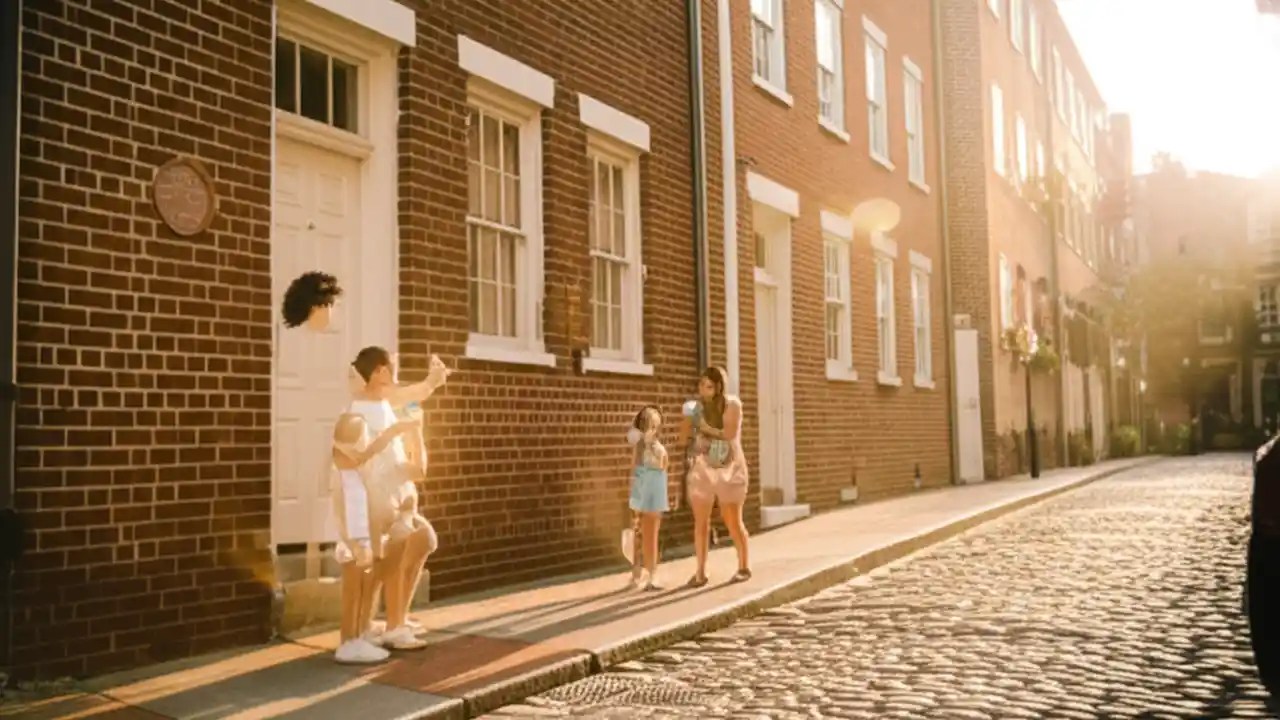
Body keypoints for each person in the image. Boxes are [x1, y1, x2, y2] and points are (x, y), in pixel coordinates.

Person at [347, 346, 449, 650]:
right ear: (378, 373)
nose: (394, 378)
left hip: (394, 492)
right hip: (376, 498)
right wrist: (430, 383)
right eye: (390, 370)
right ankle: (379, 624)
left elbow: (411, 398)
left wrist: (430, 386)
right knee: (404, 542)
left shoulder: (386, 403)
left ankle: (395, 620)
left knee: (422, 539)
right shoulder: (367, 404)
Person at [329, 412, 421, 664]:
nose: (367, 443)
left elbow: (372, 450)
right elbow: (346, 510)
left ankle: (358, 636)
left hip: (359, 533)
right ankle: (349, 641)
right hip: (352, 536)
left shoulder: (353, 464)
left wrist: (394, 432)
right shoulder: (343, 466)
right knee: (353, 589)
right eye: (363, 437)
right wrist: (356, 543)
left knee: (360, 587)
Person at [680, 366, 751, 587]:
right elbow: (683, 439)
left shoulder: (732, 405)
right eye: (701, 385)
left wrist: (702, 427)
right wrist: (687, 423)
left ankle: (743, 565)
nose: (703, 390)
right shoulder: (696, 408)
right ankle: (700, 571)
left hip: (729, 467)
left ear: (719, 386)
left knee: (732, 519)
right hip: (703, 468)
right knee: (701, 521)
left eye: (708, 386)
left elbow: (728, 434)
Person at [624, 405, 668, 591]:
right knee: (638, 534)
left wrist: (656, 452)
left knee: (652, 535)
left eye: (653, 427)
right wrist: (632, 495)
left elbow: (663, 467)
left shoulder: (659, 449)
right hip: (642, 493)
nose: (650, 431)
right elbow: (634, 471)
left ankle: (652, 573)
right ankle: (636, 573)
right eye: (647, 427)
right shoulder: (639, 449)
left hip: (655, 494)